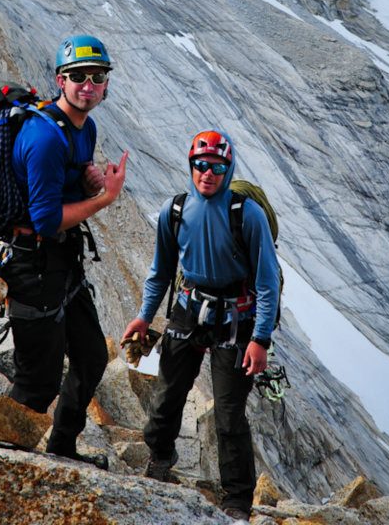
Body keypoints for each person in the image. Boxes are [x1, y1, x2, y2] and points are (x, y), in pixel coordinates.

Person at [121, 129, 279, 522]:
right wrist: (145, 315)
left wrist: (260, 339)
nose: (207, 174)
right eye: (201, 165)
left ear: (229, 170)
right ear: (191, 165)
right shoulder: (173, 212)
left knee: (229, 413)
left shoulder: (248, 214)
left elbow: (267, 280)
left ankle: (238, 501)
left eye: (217, 167)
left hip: (237, 319)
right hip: (189, 309)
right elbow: (160, 272)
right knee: (167, 395)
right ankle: (160, 457)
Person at [0, 34, 128, 466]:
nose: (87, 86)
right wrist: (103, 199)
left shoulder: (83, 128)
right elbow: (46, 218)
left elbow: (64, 191)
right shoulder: (45, 137)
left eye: (97, 77)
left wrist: (88, 182)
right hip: (32, 263)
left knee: (91, 357)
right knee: (39, 378)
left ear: (106, 84)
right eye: (77, 77)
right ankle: (2, 455)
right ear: (60, 80)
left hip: (62, 262)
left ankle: (61, 447)